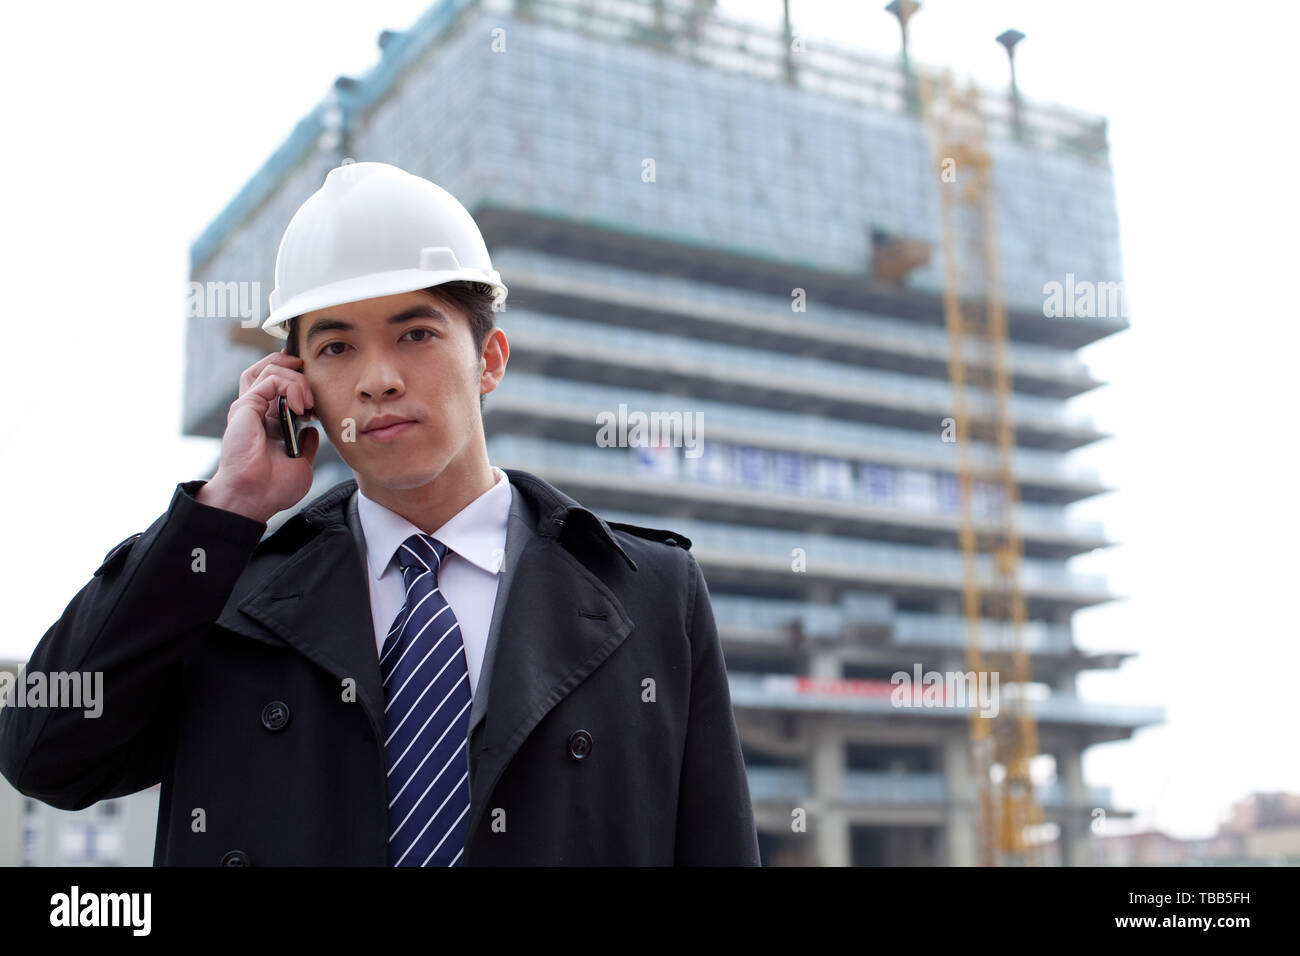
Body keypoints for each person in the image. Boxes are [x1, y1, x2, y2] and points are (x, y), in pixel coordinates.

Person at [0, 161, 760, 866]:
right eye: (335, 348)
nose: (379, 380)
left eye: (416, 333)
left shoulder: (653, 593)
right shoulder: (224, 594)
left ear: (489, 358)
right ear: (294, 383)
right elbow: (46, 757)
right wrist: (226, 504)